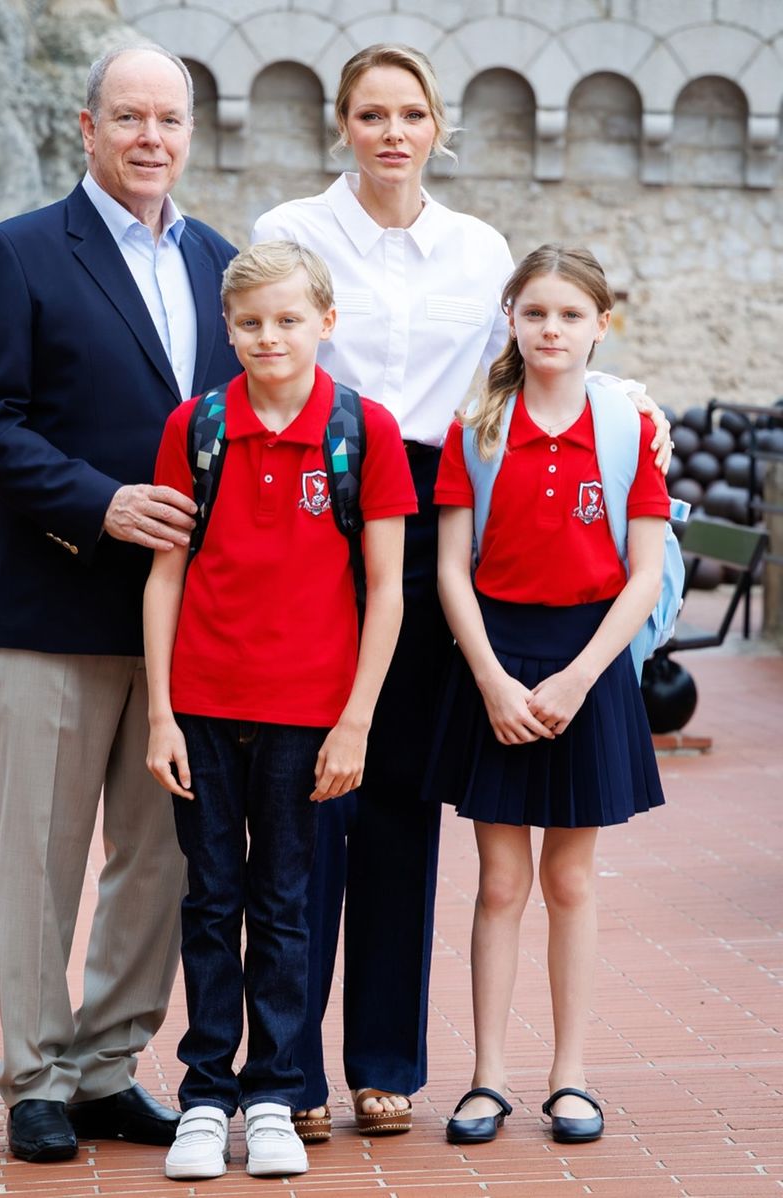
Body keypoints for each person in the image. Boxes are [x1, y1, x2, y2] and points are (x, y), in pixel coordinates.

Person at [251, 42, 672, 1139]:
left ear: (440, 126)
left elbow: (532, 354)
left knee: (395, 800)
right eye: (372, 113)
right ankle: (287, 1074)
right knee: (300, 799)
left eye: (412, 113)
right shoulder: (292, 232)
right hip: (320, 520)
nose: (393, 131)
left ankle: (385, 1064)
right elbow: (257, 354)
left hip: (435, 525)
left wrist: (635, 404)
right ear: (341, 124)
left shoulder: (477, 247)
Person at [0, 44, 238, 1163]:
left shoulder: (221, 263)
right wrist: (100, 504)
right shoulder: (16, 254)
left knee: (160, 853)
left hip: (186, 627)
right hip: (54, 609)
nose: (151, 138)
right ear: (88, 126)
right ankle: (35, 1074)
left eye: (169, 118)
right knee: (40, 853)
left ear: (189, 130)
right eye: (130, 117)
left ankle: (112, 1064)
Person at [142, 240, 416, 1180]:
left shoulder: (362, 431)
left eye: (289, 319)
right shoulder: (196, 426)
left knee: (289, 905)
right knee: (211, 900)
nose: (270, 336)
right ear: (228, 329)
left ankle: (277, 1090)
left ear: (325, 323)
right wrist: (160, 716)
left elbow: (387, 589)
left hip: (311, 717)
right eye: (251, 323)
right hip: (206, 707)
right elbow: (165, 575)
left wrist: (357, 722)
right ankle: (206, 1096)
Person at [429, 244, 669, 1146]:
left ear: (601, 326)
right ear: (513, 322)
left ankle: (570, 1079)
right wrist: (491, 677)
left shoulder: (629, 430)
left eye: (571, 315)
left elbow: (643, 575)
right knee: (499, 882)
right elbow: (455, 568)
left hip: (589, 659)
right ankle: (488, 1078)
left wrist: (580, 677)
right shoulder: (478, 428)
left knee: (570, 879)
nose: (551, 329)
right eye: (535, 314)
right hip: (498, 652)